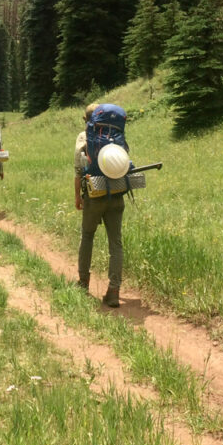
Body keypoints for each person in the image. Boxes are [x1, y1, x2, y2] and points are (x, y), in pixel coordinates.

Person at [74, 103, 125, 308]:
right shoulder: (116, 135)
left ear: (86, 120)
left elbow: (79, 170)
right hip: (117, 192)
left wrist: (77, 195)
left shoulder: (84, 137)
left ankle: (83, 283)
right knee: (116, 243)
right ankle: (113, 291)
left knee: (87, 236)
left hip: (94, 195)